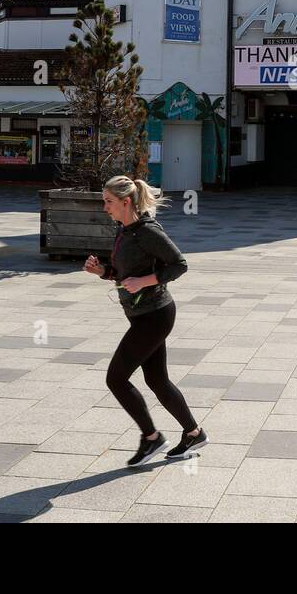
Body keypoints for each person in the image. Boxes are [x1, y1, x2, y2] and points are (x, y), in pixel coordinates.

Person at [84, 175, 207, 467]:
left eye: (109, 202)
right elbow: (126, 275)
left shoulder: (147, 232)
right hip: (144, 314)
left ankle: (152, 438)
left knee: (115, 378)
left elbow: (179, 264)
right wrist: (102, 271)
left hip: (155, 316)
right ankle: (194, 433)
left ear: (126, 202)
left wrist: (145, 281)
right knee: (156, 379)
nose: (105, 208)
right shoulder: (124, 231)